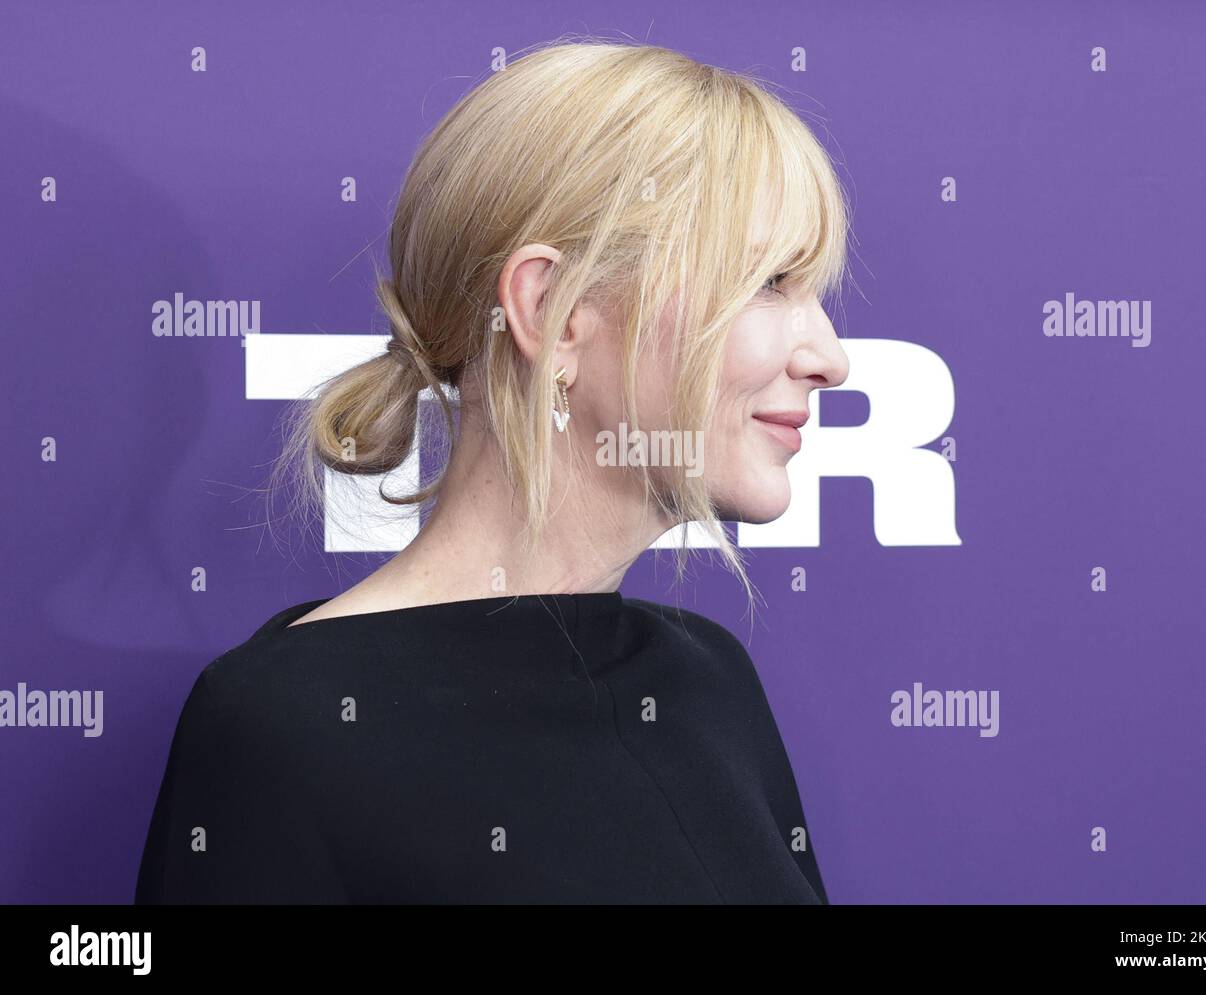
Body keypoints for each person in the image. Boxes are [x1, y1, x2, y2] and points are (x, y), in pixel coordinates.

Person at [135, 37, 850, 904]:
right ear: (552, 309)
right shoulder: (286, 724)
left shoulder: (710, 681)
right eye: (769, 280)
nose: (830, 357)